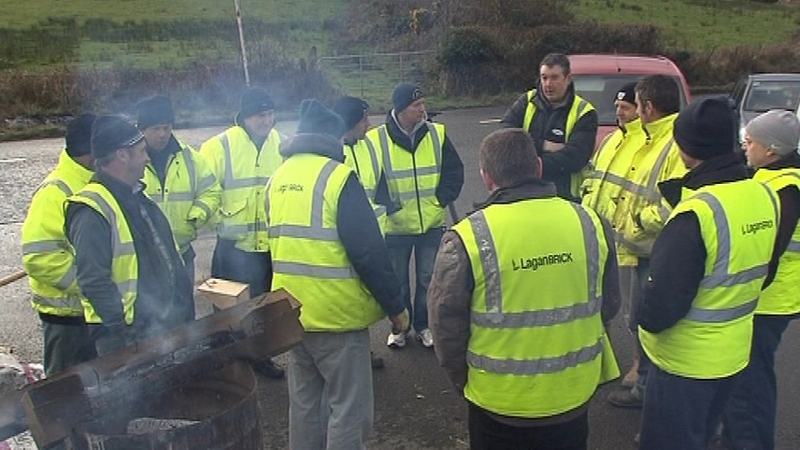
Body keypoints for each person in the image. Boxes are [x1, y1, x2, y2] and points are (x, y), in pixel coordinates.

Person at [428, 128, 620, 450]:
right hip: (573, 395)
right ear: (539, 167)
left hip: (499, 403)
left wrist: (464, 380)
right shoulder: (591, 222)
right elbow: (610, 304)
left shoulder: (468, 237)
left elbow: (446, 327)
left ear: (487, 177)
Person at [636, 98, 780, 450]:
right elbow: (767, 270)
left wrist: (641, 313)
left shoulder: (696, 213)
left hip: (684, 363)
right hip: (733, 352)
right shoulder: (764, 194)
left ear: (688, 148)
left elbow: (660, 306)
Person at [267, 99, 409, 450]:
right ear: (332, 138)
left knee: (305, 407)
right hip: (336, 318)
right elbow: (369, 252)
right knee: (348, 409)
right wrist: (396, 307)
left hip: (292, 315)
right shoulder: (338, 177)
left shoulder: (277, 178)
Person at [66, 115, 195, 356]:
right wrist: (124, 333)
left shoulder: (138, 198)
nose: (147, 159)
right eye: (141, 151)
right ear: (122, 155)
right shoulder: (92, 209)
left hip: (158, 327)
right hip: (127, 339)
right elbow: (93, 280)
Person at [601, 75, 688, 408]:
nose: (626, 113)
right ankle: (644, 383)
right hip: (624, 244)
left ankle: (648, 393)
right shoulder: (629, 138)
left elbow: (672, 202)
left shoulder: (672, 143)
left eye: (632, 105)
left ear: (648, 108)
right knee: (632, 315)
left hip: (648, 248)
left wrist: (634, 224)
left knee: (647, 320)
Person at [719, 110, 800, 450]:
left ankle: (750, 442)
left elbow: (769, 252)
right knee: (746, 380)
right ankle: (737, 437)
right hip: (770, 297)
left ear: (771, 150)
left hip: (768, 300)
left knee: (749, 385)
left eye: (750, 142)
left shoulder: (785, 189)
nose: (744, 147)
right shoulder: (771, 179)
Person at [366, 83, 464, 349]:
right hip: (396, 227)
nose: (423, 110)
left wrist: (439, 200)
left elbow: (455, 172)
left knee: (428, 280)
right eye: (416, 106)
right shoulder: (376, 139)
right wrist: (390, 205)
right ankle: (400, 328)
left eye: (423, 104)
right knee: (398, 283)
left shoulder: (437, 134)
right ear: (400, 109)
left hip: (430, 224)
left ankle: (423, 326)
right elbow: (370, 178)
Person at [199, 87, 285, 379]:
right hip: (233, 247)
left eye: (271, 113)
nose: (267, 120)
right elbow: (206, 193)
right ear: (245, 117)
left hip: (266, 247)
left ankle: (260, 358)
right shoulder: (218, 147)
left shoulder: (280, 144)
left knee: (262, 309)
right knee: (226, 309)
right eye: (261, 114)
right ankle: (225, 363)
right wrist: (220, 225)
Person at [21, 114, 98, 375]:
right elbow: (40, 258)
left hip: (93, 313)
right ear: (91, 149)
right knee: (62, 397)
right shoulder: (55, 192)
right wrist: (90, 285)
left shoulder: (93, 181)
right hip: (66, 319)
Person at [332, 95, 396, 370]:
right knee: (345, 300)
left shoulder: (368, 145)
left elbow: (379, 183)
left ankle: (362, 352)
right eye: (363, 120)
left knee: (363, 297)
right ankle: (345, 357)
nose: (369, 125)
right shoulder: (333, 151)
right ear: (349, 123)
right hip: (343, 242)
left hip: (371, 237)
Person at [137, 95, 221, 287]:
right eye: (155, 128)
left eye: (167, 127)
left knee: (185, 312)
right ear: (142, 130)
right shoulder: (131, 161)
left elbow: (212, 191)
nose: (162, 134)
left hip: (182, 254)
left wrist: (197, 215)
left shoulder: (190, 157)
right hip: (145, 260)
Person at [500, 52, 598, 202]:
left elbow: (575, 158)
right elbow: (505, 137)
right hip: (523, 194)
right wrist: (543, 145)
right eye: (544, 77)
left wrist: (533, 163)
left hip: (564, 197)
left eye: (554, 78)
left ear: (568, 79)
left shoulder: (584, 112)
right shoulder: (527, 100)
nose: (548, 84)